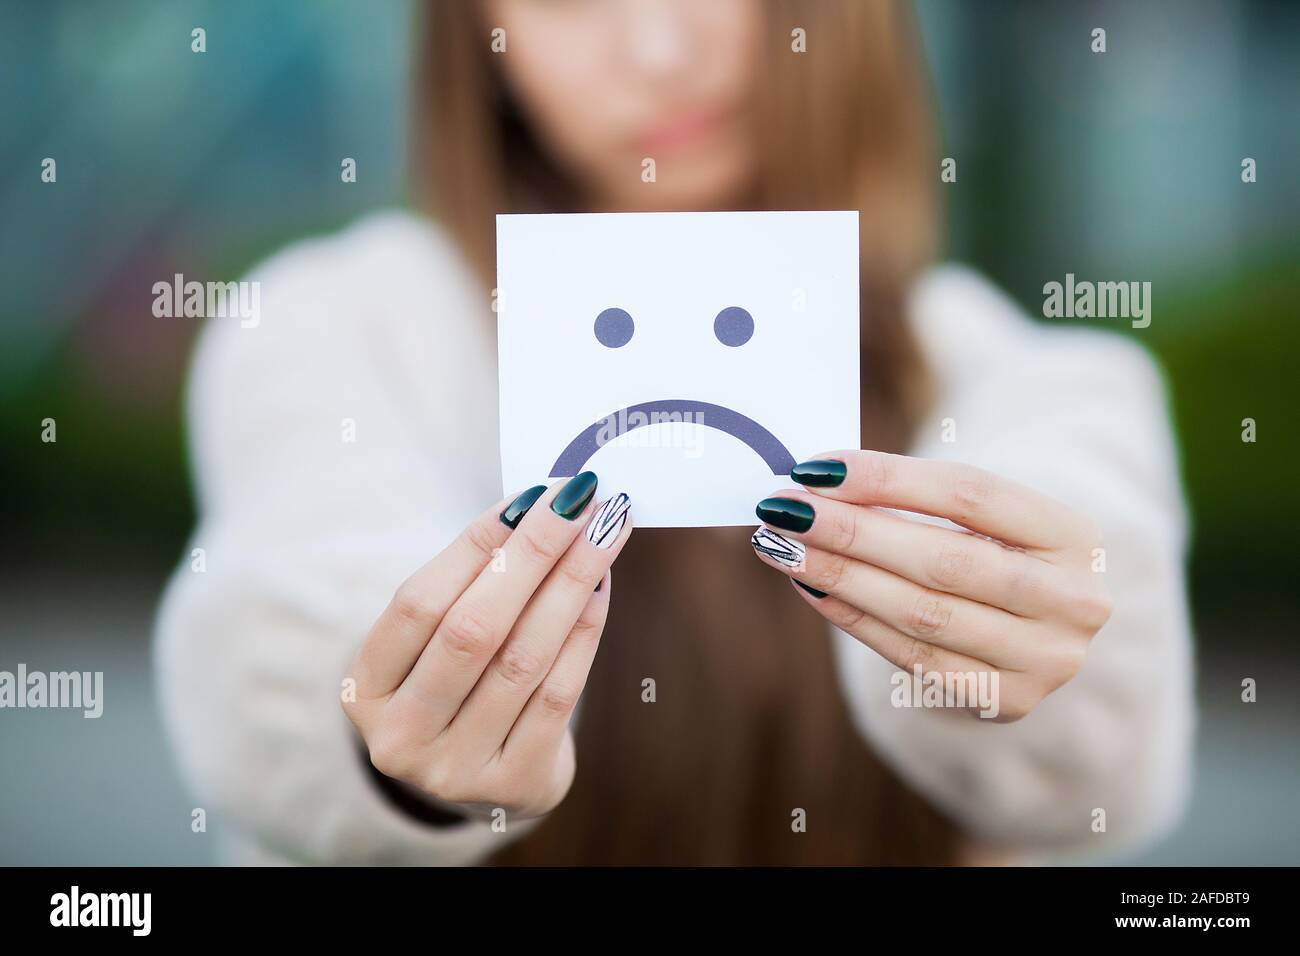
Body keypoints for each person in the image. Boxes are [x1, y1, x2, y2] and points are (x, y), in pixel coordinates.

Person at [155, 0, 1193, 865]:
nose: (660, 49)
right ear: (472, 33)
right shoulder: (341, 326)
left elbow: (1105, 741)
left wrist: (1016, 665)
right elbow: (287, 621)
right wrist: (396, 741)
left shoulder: (1021, 380)